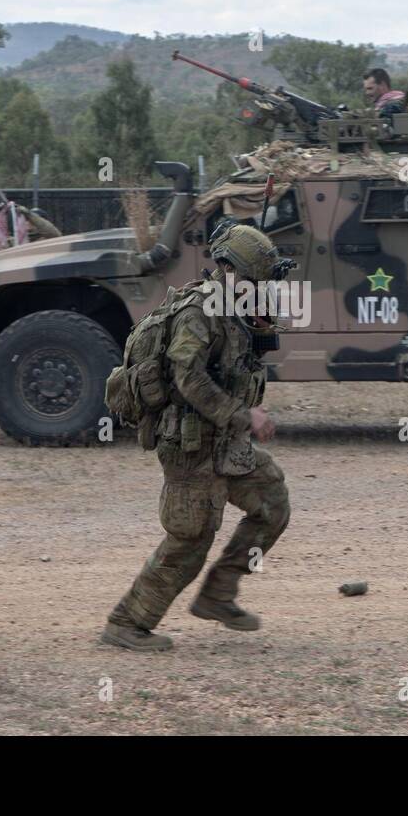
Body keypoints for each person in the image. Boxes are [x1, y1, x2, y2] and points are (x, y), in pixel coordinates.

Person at [102, 224, 291, 651]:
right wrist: (244, 416)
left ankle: (217, 596)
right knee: (190, 540)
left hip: (222, 442)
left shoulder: (232, 307)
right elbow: (188, 376)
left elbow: (238, 362)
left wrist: (259, 327)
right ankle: (126, 623)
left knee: (272, 503)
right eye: (253, 279)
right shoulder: (198, 311)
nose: (259, 288)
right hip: (188, 445)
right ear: (227, 268)